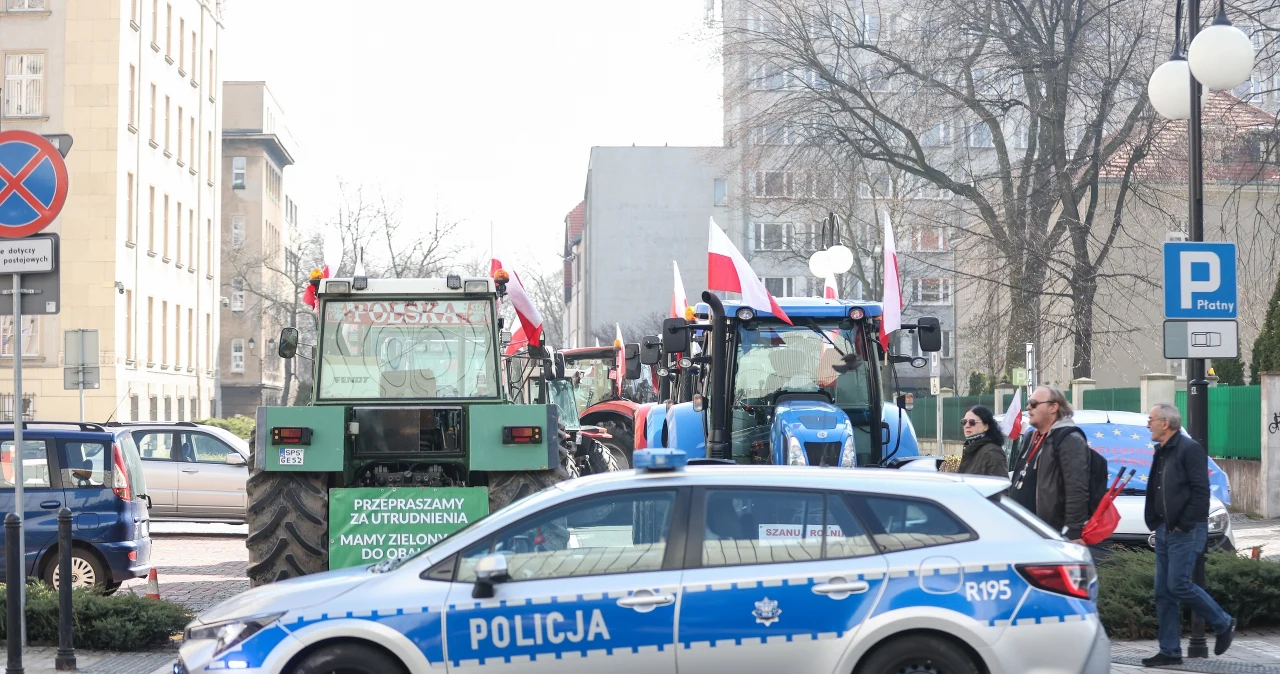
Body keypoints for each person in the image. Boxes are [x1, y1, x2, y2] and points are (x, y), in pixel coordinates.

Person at [1141, 403, 1235, 667]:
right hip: (1164, 528)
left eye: (1151, 419)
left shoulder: (1189, 449)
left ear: (1166, 423)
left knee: (1178, 584)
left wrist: (1184, 523)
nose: (1148, 424)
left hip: (1186, 530)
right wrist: (1157, 521)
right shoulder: (1161, 450)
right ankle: (1169, 651)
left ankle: (1223, 622)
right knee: (1163, 592)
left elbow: (1200, 492)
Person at [1009, 386, 1090, 544]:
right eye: (1028, 403)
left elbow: (1077, 489)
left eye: (1033, 403)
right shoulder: (1031, 436)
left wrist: (1073, 531)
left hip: (1051, 534)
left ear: (1053, 407)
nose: (1028, 407)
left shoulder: (1069, 439)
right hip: (1022, 531)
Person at [957, 406, 1009, 478]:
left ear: (986, 426)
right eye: (964, 422)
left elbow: (1000, 486)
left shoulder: (992, 452)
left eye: (972, 422)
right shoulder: (971, 449)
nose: (967, 426)